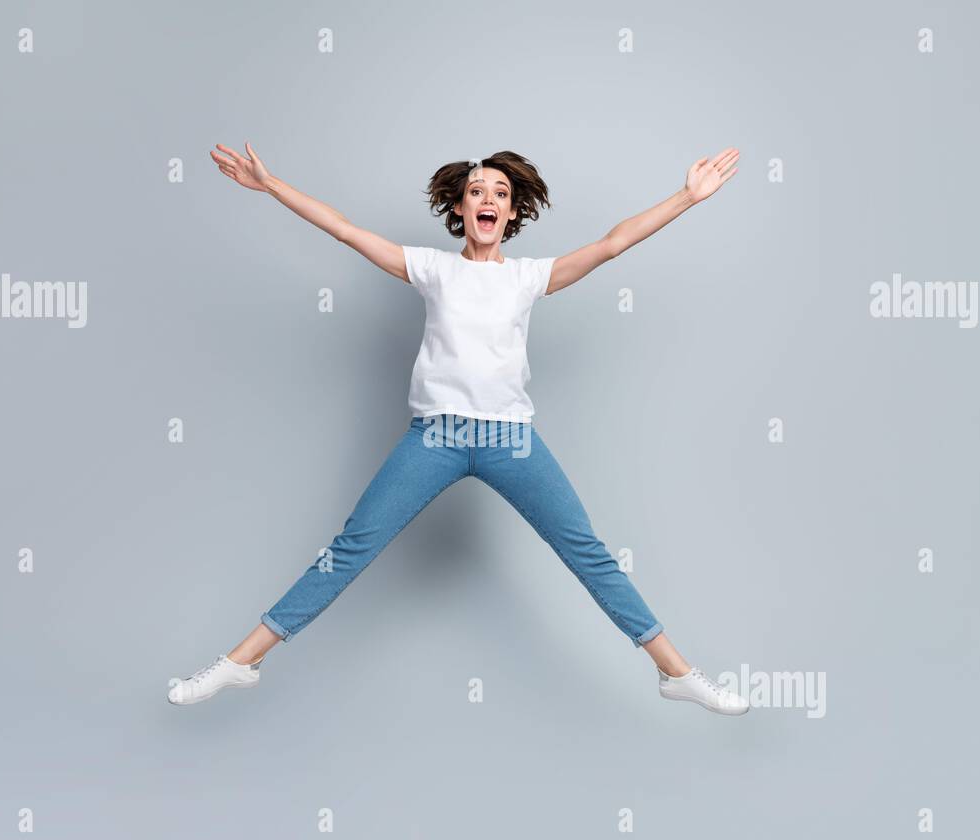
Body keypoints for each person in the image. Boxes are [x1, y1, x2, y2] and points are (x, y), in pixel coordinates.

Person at [167, 144, 748, 716]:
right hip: (435, 439)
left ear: (513, 212)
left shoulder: (528, 277)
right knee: (349, 549)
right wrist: (272, 186)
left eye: (500, 193)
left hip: (510, 441)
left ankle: (678, 674)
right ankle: (241, 662)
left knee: (587, 553)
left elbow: (611, 244)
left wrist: (686, 198)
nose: (488, 200)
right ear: (461, 210)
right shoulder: (433, 268)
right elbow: (344, 230)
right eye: (477, 193)